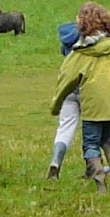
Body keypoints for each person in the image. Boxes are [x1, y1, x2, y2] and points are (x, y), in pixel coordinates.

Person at [49, 2, 110, 192]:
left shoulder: (80, 52)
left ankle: (99, 177)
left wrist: (56, 105)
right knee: (108, 137)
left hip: (92, 106)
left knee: (91, 143)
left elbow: (66, 79)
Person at [46, 19, 82, 180]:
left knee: (65, 128)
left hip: (68, 86)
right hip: (89, 88)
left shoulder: (67, 39)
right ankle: (93, 167)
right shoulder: (95, 38)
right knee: (92, 131)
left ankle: (55, 162)